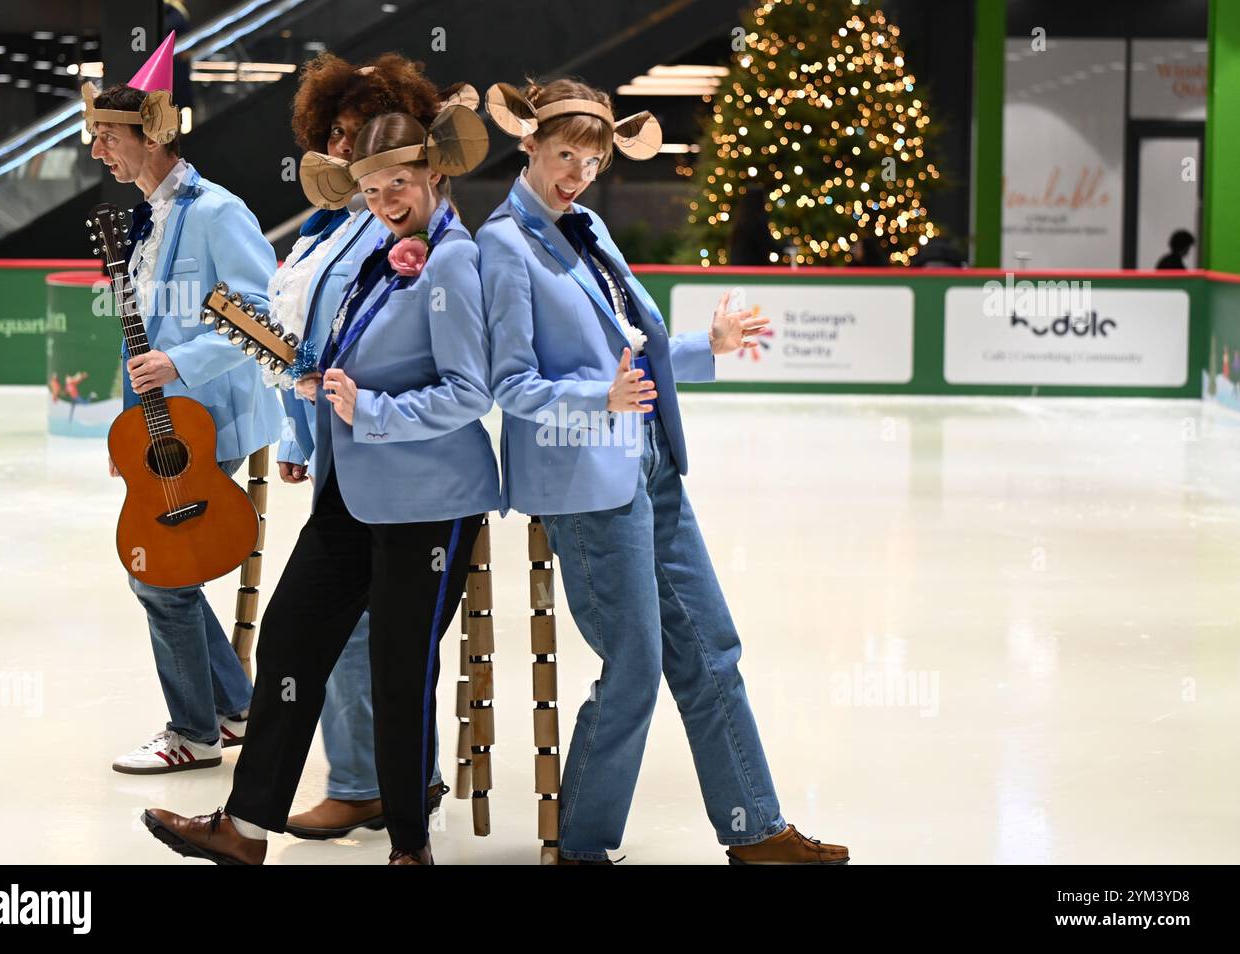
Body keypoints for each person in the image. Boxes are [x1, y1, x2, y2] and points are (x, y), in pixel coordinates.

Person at [477, 77, 850, 864]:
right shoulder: (503, 245)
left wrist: (703, 350)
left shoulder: (587, 227)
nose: (577, 172)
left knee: (712, 648)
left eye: (593, 158)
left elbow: (630, 354)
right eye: (565, 154)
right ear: (530, 144)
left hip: (649, 462)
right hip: (585, 483)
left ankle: (756, 826)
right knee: (637, 668)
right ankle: (580, 844)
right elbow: (509, 385)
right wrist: (598, 397)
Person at [143, 96, 498, 865]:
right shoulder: (379, 251)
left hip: (429, 506)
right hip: (351, 493)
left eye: (399, 183)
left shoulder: (457, 261)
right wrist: (317, 385)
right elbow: (358, 349)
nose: (385, 203)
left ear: (432, 172)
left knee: (401, 672)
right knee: (291, 641)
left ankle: (410, 848)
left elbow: (472, 392)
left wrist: (368, 408)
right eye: (371, 191)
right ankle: (244, 829)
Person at [86, 33, 283, 775]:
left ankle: (194, 732)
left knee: (159, 574)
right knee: (166, 573)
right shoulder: (147, 214)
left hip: (212, 416)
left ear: (152, 135)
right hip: (165, 421)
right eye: (97, 137)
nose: (98, 152)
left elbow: (260, 313)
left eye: (109, 138)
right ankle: (236, 710)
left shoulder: (216, 211)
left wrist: (182, 358)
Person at [267, 51, 450, 840]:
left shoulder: (409, 230)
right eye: (337, 132)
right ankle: (385, 778)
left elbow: (412, 353)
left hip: (398, 449)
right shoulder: (322, 226)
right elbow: (302, 340)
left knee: (371, 629)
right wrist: (297, 426)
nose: (346, 147)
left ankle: (374, 782)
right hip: (337, 438)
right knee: (349, 623)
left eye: (363, 131)